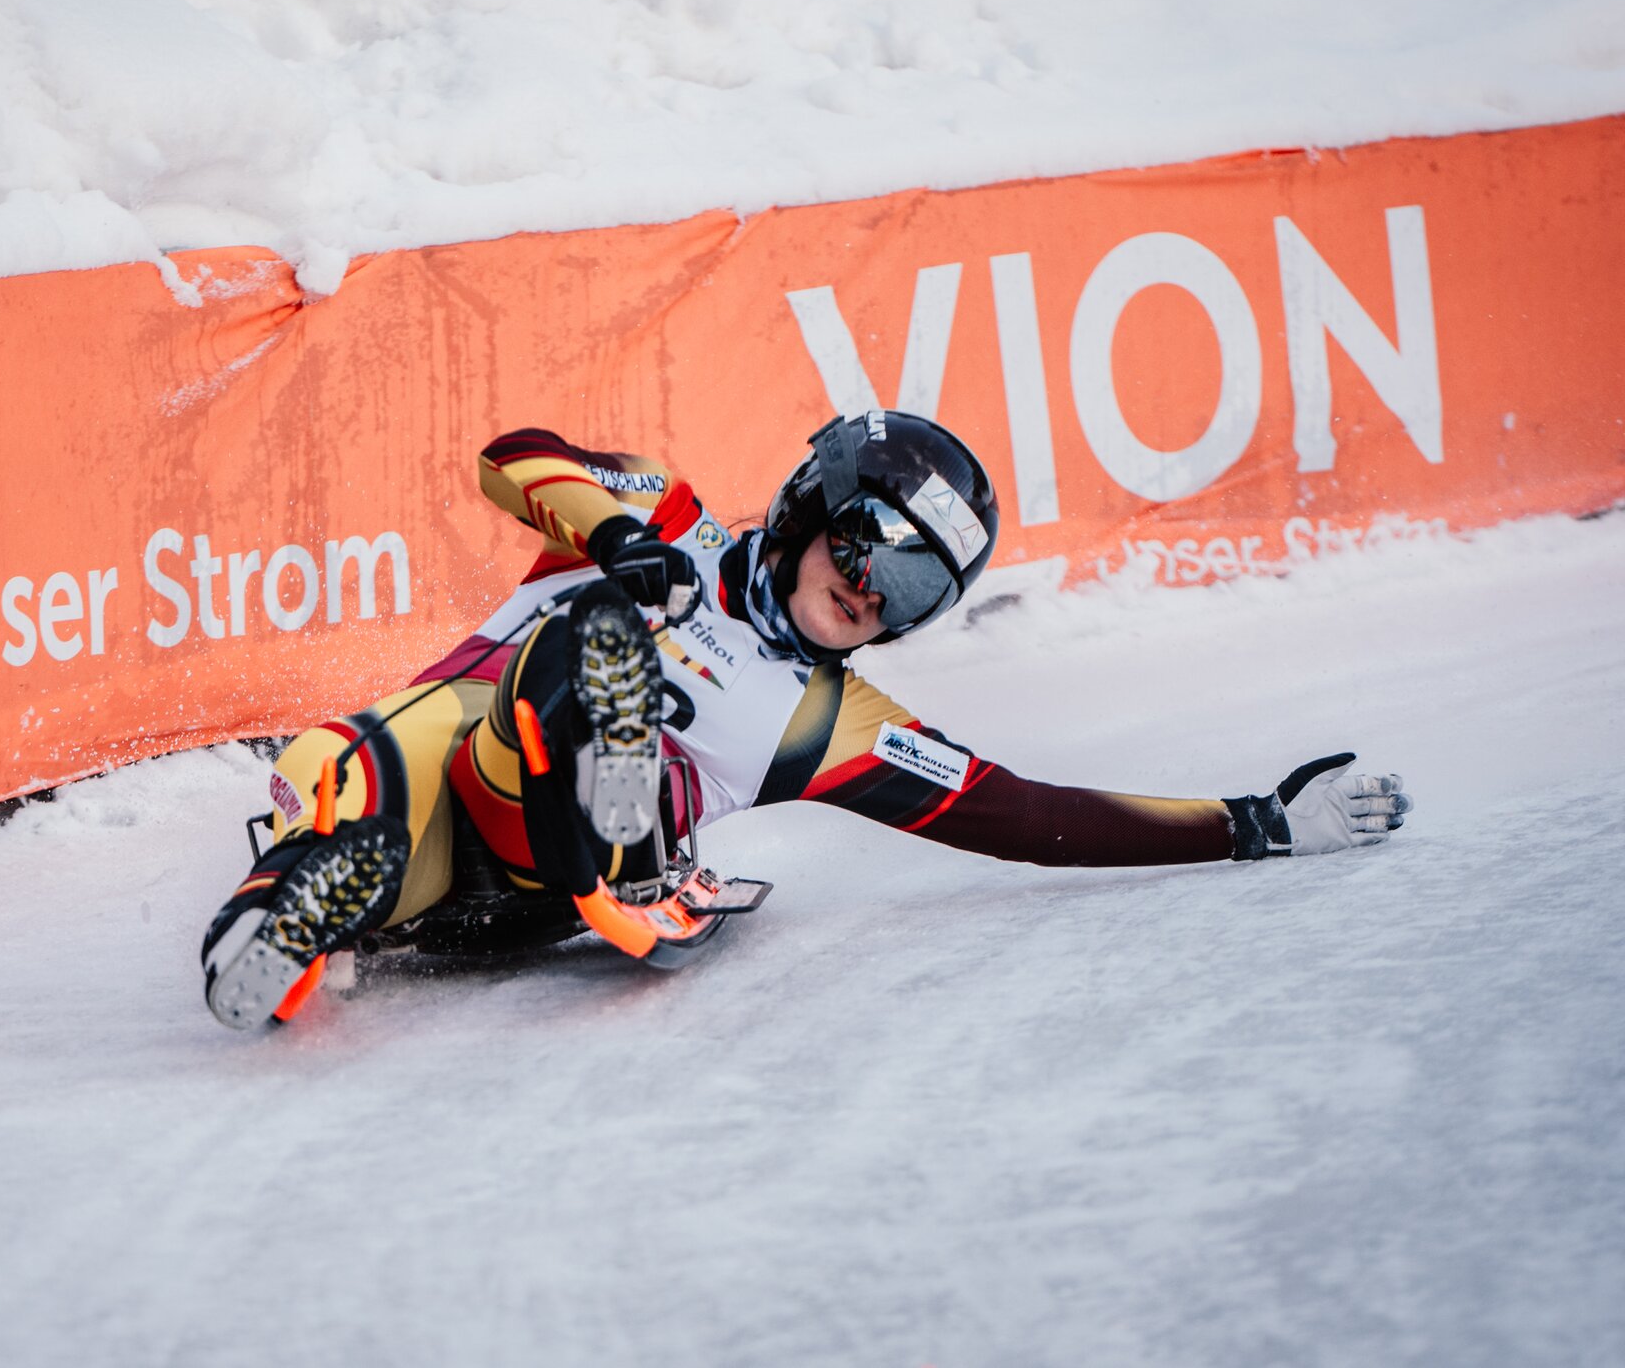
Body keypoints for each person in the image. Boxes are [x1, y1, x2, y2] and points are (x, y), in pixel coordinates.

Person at [200, 413, 1412, 1029]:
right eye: (869, 543)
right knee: (351, 762)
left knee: (569, 662)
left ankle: (617, 788)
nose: (873, 590)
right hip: (453, 814)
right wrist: (622, 542)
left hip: (559, 856)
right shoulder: (670, 524)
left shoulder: (840, 718)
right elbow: (514, 456)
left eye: (916, 587)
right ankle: (270, 943)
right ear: (809, 506)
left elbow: (1025, 815)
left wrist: (1255, 822)